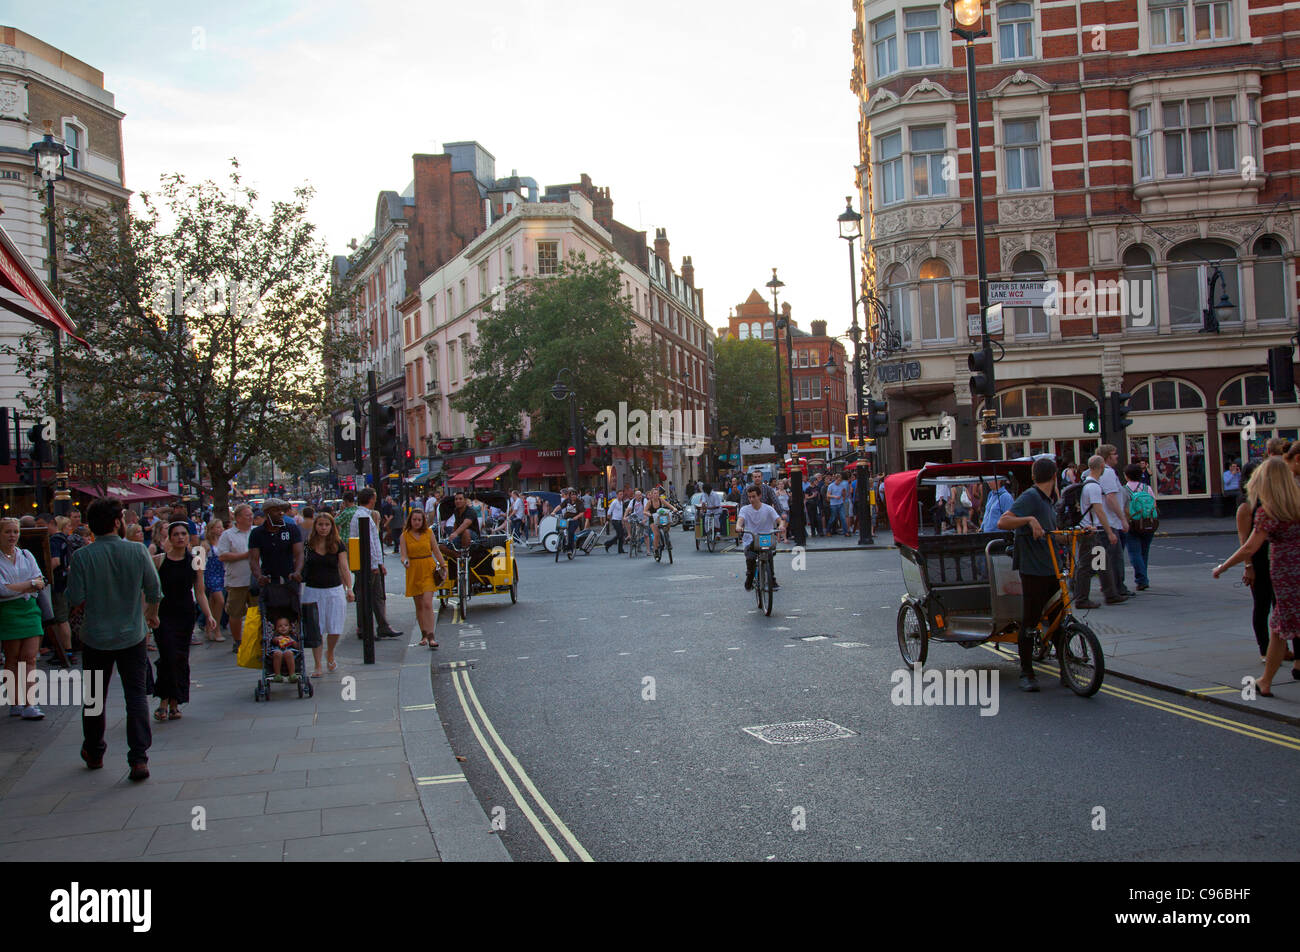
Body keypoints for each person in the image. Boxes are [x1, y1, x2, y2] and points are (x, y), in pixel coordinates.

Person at [67, 499, 163, 781]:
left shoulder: (82, 557)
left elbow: (74, 599)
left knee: (95, 697)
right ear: (115, 522)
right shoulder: (136, 551)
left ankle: (95, 750)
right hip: (132, 634)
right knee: (135, 697)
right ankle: (138, 758)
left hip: (95, 636)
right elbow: (155, 590)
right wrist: (151, 615)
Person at [1214, 457, 1300, 695]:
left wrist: (1223, 568)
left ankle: (1266, 682)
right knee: (1282, 625)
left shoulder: (1268, 511)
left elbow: (1249, 547)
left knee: (1280, 625)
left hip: (1286, 572)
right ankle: (1267, 680)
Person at [997, 456, 1060, 692]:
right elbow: (1004, 522)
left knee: (1057, 620)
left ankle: (1067, 668)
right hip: (1033, 569)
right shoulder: (1031, 497)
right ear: (1054, 476)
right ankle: (1026, 672)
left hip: (1052, 566)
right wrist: (1030, 519)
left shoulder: (1048, 500)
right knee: (1031, 620)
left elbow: (1050, 532)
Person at [152, 521, 217, 722]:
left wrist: (209, 615)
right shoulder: (158, 560)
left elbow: (200, 591)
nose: (180, 537)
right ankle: (165, 700)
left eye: (184, 534)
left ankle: (174, 702)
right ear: (169, 538)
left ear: (189, 537)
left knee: (179, 657)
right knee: (167, 656)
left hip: (184, 614)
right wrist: (148, 614)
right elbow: (151, 592)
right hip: (163, 614)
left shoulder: (196, 560)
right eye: (176, 534)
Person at [0, 517, 48, 719]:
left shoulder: (26, 555)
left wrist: (19, 587)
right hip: (8, 612)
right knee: (12, 659)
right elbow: (2, 590)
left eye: (15, 532)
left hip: (30, 609)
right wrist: (29, 584)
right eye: (8, 532)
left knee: (29, 658)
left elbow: (40, 580)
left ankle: (30, 704)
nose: (12, 536)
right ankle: (15, 701)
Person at [301, 511, 354, 675]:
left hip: (334, 590)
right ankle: (317, 665)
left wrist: (349, 588)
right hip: (312, 590)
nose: (323, 528)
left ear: (332, 527)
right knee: (315, 629)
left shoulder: (338, 544)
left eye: (327, 525)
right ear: (315, 526)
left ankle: (330, 652)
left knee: (335, 627)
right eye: (320, 524)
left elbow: (344, 567)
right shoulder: (308, 545)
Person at [349, 489, 402, 639]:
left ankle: (382, 626)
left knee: (377, 596)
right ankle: (365, 628)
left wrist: (379, 563)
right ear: (371, 499)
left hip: (371, 563)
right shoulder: (362, 516)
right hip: (367, 565)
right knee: (366, 597)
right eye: (375, 498)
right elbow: (369, 544)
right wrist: (374, 565)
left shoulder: (364, 515)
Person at [1073, 455, 1125, 608]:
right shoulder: (1094, 487)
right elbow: (1099, 511)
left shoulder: (1086, 484)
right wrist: (1109, 532)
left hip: (1088, 531)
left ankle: (1111, 594)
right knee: (1086, 566)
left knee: (1102, 562)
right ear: (1101, 466)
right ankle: (1082, 599)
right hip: (1091, 531)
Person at [400, 508, 447, 649]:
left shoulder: (429, 533)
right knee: (419, 605)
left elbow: (436, 550)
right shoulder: (404, 535)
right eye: (414, 520)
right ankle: (424, 634)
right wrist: (405, 561)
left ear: (423, 521)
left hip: (428, 568)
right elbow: (403, 555)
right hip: (413, 570)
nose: (416, 522)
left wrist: (444, 566)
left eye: (419, 520)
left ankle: (431, 636)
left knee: (427, 603)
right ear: (410, 520)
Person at [217, 505, 254, 654]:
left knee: (256, 612)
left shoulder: (256, 532)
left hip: (255, 581)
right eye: (247, 515)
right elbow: (223, 555)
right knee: (235, 612)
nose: (250, 517)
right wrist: (244, 556)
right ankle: (237, 641)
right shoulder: (228, 535)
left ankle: (255, 640)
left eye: (251, 515)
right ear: (238, 518)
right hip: (236, 581)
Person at [1099, 444, 1134, 596]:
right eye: (1114, 454)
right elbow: (1111, 497)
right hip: (1110, 523)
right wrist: (1123, 519)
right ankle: (1117, 588)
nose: (1117, 456)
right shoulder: (1108, 473)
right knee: (1114, 558)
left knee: (1099, 558)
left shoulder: (1102, 472)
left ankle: (1109, 587)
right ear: (1107, 457)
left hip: (1104, 523)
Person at [737, 485, 786, 591]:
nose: (751, 499)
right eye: (749, 497)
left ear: (759, 496)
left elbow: (779, 520)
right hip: (750, 540)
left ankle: (772, 580)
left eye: (754, 496)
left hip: (765, 539)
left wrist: (781, 525)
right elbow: (740, 520)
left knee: (769, 556)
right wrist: (738, 526)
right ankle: (749, 578)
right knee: (750, 559)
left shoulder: (768, 509)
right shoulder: (745, 509)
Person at [1124, 462, 1157, 591]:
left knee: (1134, 553)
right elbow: (1154, 504)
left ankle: (1141, 579)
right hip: (1148, 523)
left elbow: (1123, 508)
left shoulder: (1124, 490)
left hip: (1132, 524)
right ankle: (1144, 578)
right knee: (1144, 552)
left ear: (1126, 476)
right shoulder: (1146, 488)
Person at [201, 519, 227, 643]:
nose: (220, 529)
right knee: (220, 601)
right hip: (211, 574)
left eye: (221, 527)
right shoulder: (205, 544)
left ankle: (209, 627)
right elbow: (198, 561)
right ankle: (216, 629)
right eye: (217, 527)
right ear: (211, 529)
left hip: (222, 573)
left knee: (212, 602)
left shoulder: (223, 541)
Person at [267, 615, 300, 680]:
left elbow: (297, 647)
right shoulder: (275, 635)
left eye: (286, 625)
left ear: (290, 627)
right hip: (278, 652)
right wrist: (277, 640)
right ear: (276, 628)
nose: (283, 627)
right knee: (277, 653)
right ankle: (277, 675)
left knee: (289, 653)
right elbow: (273, 641)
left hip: (290, 652)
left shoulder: (292, 635)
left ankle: (292, 674)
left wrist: (292, 641)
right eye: (280, 626)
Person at [606, 489, 627, 553]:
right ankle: (608, 543)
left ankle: (620, 550)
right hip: (615, 520)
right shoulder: (614, 502)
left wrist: (623, 521)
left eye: (622, 494)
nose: (621, 496)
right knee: (619, 534)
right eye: (620, 494)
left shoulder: (621, 502)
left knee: (622, 535)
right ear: (617, 495)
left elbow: (622, 512)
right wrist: (608, 520)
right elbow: (609, 511)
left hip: (620, 520)